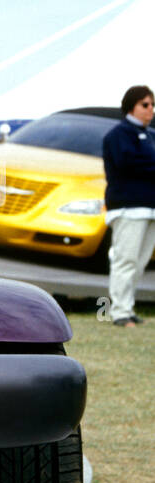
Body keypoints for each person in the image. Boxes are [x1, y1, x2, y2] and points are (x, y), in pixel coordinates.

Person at [101, 84, 155, 328]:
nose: (150, 110)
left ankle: (128, 307)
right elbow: (128, 165)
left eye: (152, 105)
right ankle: (119, 312)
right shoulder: (117, 135)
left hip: (149, 207)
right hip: (128, 207)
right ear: (131, 106)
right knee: (126, 259)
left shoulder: (151, 136)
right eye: (145, 104)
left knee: (140, 261)